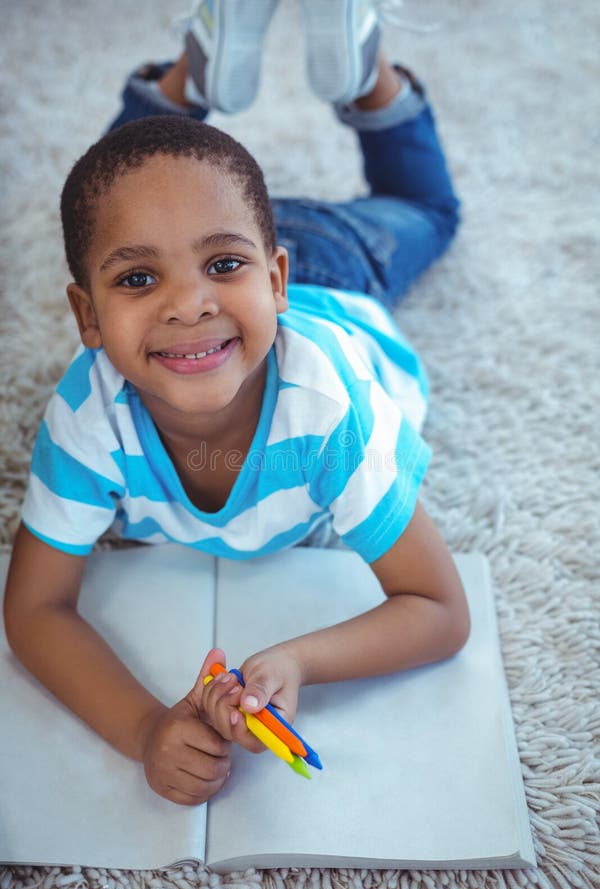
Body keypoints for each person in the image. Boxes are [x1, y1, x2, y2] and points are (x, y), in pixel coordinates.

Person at [3, 0, 469, 807]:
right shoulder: (87, 419)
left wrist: (299, 660)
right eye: (138, 280)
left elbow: (440, 608)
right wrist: (144, 728)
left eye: (221, 269)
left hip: (335, 264)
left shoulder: (326, 416)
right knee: (123, 191)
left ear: (272, 280)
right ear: (86, 318)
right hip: (232, 221)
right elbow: (36, 609)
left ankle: (368, 80)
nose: (189, 307)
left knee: (430, 215)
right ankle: (192, 75)